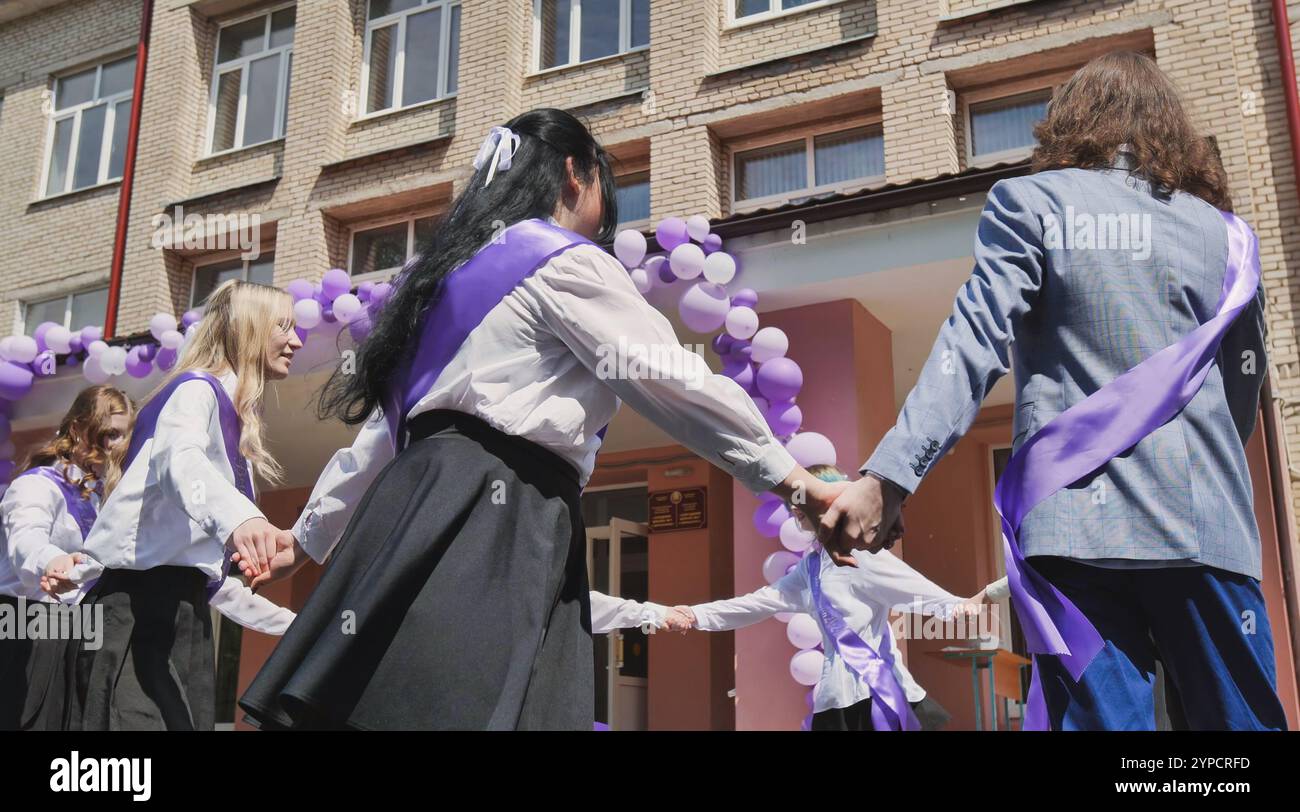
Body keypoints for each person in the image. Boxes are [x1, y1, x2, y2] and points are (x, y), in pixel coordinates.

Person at [238, 108, 841, 730]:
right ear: (574, 174)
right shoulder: (563, 262)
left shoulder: (447, 281)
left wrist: (308, 539)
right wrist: (795, 480)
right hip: (499, 513)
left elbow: (383, 436)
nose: (609, 210)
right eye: (609, 186)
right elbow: (673, 378)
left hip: (417, 503)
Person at [819, 53, 1285, 730]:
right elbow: (1246, 377)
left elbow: (971, 341)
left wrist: (891, 476)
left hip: (1077, 534)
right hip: (1207, 528)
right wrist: (1203, 460)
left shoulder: (1031, 203)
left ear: (1071, 124)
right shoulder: (1228, 238)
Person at [63, 279, 302, 730]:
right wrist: (243, 518)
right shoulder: (196, 390)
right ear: (249, 329)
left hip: (183, 619)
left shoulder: (230, 422)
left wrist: (296, 625)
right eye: (283, 326)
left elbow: (203, 577)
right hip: (136, 616)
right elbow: (180, 461)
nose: (297, 340)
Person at [679, 465, 993, 731]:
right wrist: (693, 615)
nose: (794, 508)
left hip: (876, 696)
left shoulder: (864, 556)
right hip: (834, 699)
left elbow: (918, 591)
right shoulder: (810, 567)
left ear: (828, 501)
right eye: (792, 501)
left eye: (802, 499)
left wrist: (957, 605)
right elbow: (759, 603)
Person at [0, 385, 130, 730]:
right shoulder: (37, 486)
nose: (119, 445)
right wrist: (51, 560)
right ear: (78, 430)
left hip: (74, 632)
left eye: (125, 435)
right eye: (110, 433)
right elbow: (26, 537)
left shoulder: (104, 501)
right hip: (21, 629)